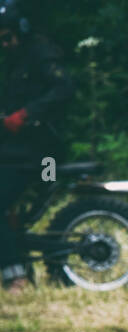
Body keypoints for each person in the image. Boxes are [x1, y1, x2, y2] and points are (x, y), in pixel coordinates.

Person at [0, 0, 71, 292]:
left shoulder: (40, 52)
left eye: (7, 37)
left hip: (41, 151)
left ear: (21, 30)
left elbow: (64, 88)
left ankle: (15, 275)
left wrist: (26, 115)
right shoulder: (13, 60)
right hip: (18, 149)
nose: (3, 44)